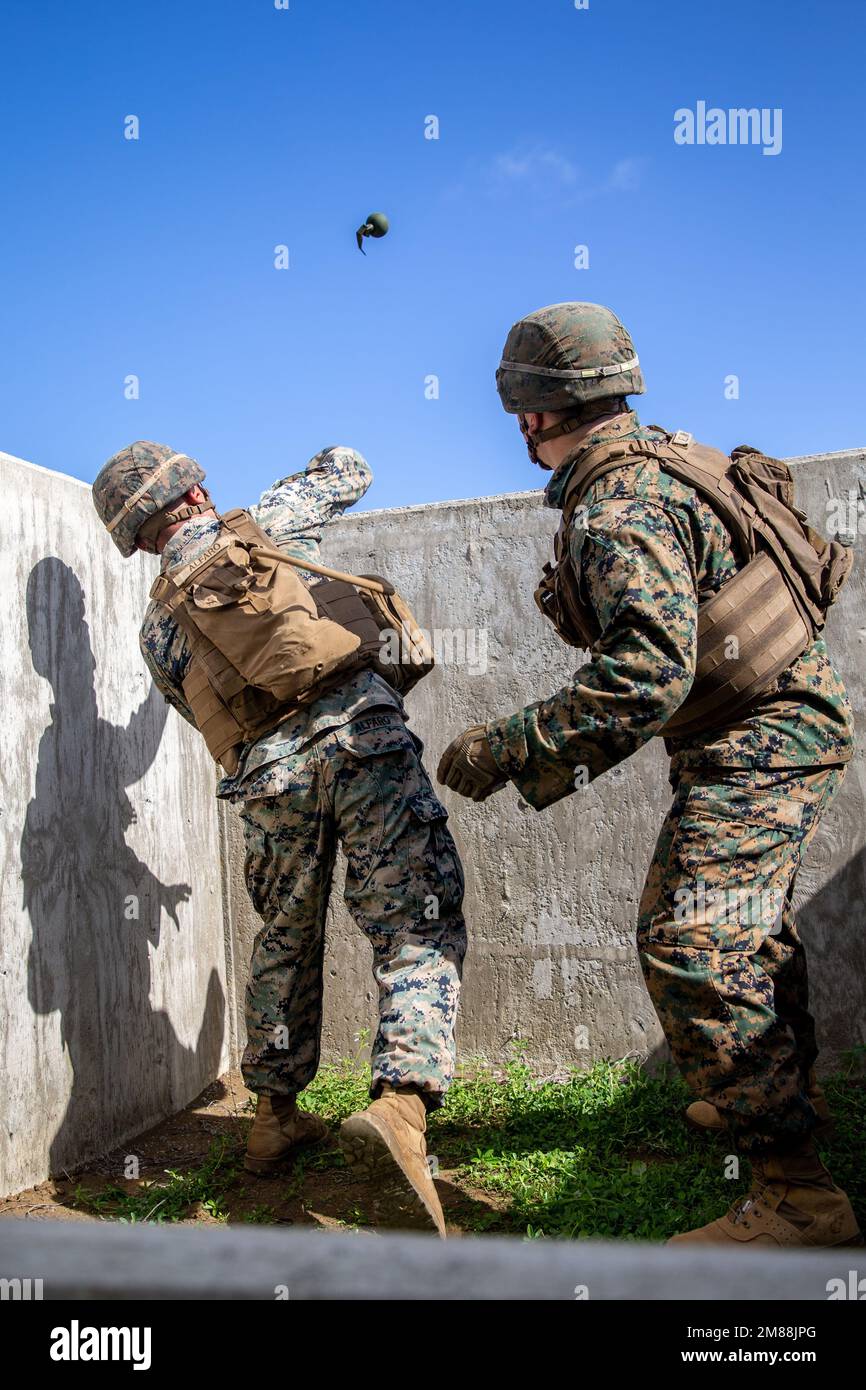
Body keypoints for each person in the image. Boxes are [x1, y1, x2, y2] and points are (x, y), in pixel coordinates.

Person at [438, 302, 860, 1248]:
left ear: (532, 414)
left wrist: (501, 748)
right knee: (747, 935)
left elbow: (646, 676)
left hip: (761, 735)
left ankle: (800, 1202)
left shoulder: (617, 504)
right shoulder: (671, 458)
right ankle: (770, 1105)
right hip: (780, 722)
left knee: (692, 941)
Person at [93, 441, 467, 1238]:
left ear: (139, 535)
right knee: (412, 919)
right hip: (362, 740)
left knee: (285, 940)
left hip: (267, 778)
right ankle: (401, 1103)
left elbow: (205, 717)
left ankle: (273, 1114)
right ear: (191, 494)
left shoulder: (154, 631)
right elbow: (353, 469)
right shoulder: (260, 527)